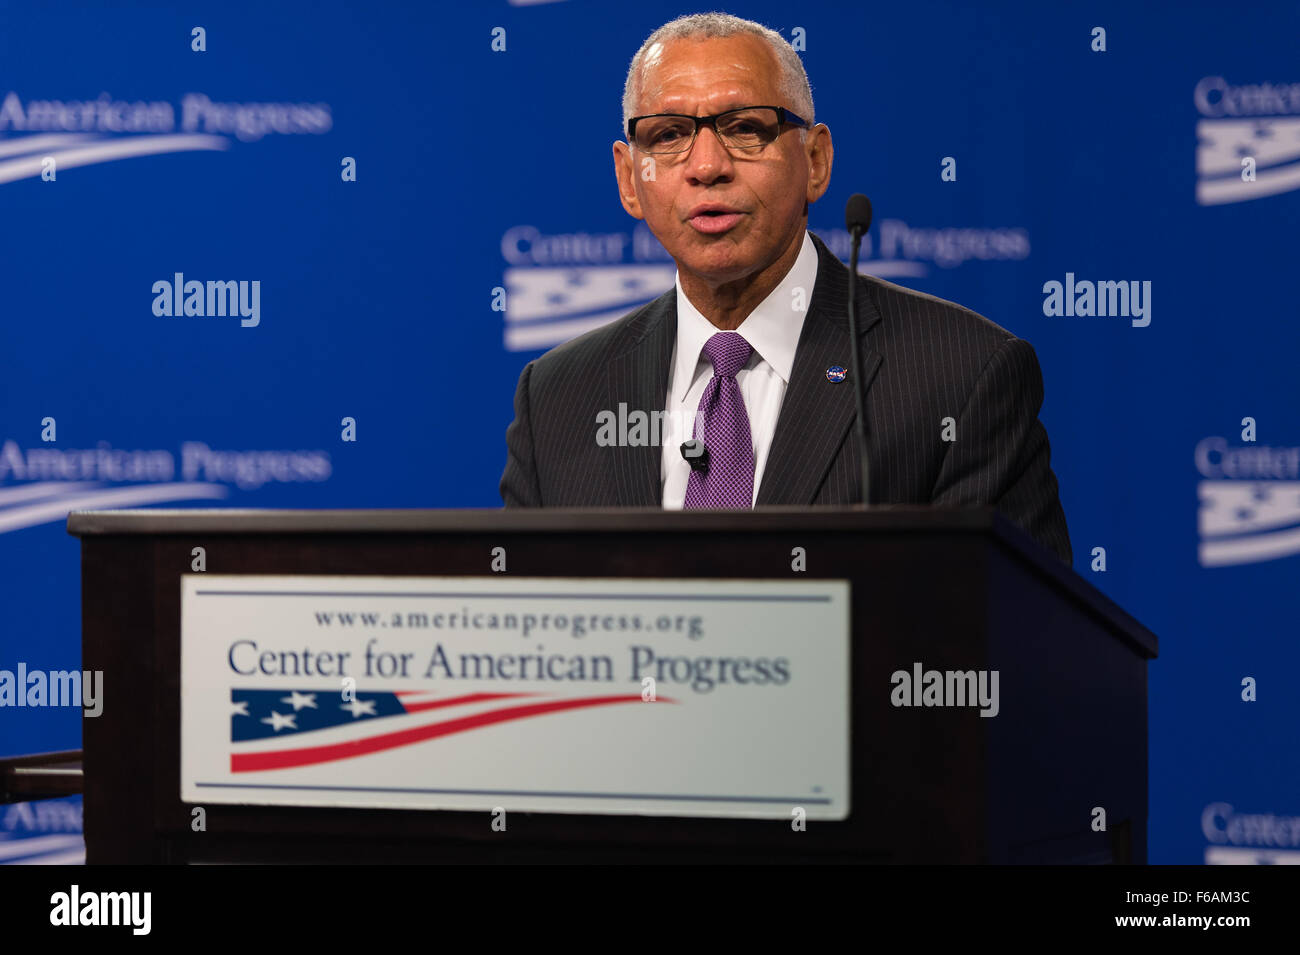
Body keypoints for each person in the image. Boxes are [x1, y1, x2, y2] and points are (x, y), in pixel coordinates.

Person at [499, 12, 1072, 564]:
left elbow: (1016, 639)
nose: (706, 166)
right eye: (669, 135)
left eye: (745, 128)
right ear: (629, 179)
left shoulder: (961, 374)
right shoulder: (557, 397)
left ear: (816, 161)